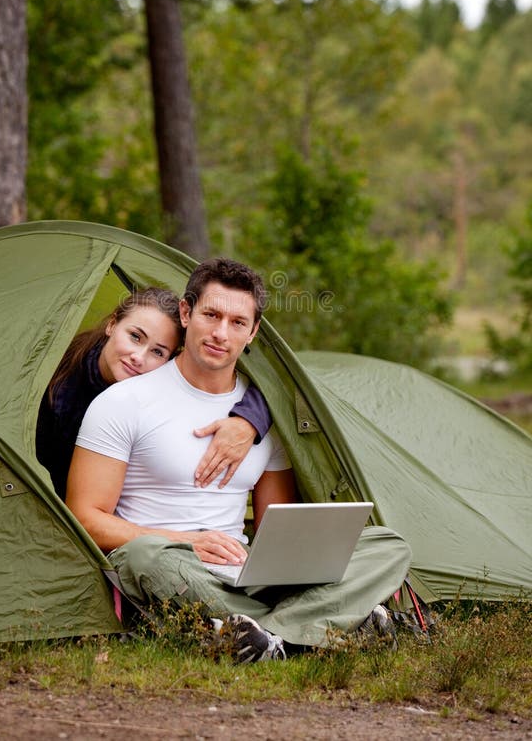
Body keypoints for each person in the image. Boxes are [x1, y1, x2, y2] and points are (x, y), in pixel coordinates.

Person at [67, 260, 412, 662]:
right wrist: (187, 541)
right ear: (186, 313)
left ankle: (266, 636)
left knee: (388, 544)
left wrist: (279, 562)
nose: (220, 333)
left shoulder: (266, 417)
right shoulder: (123, 402)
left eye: (237, 322)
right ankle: (324, 625)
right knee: (141, 557)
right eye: (211, 315)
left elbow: (275, 524)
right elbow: (85, 517)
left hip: (245, 572)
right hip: (172, 563)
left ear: (253, 333)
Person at [36, 286, 272, 500]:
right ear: (112, 324)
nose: (138, 357)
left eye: (158, 352)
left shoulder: (154, 397)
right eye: (135, 337)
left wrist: (250, 419)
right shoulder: (55, 380)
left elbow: (272, 386)